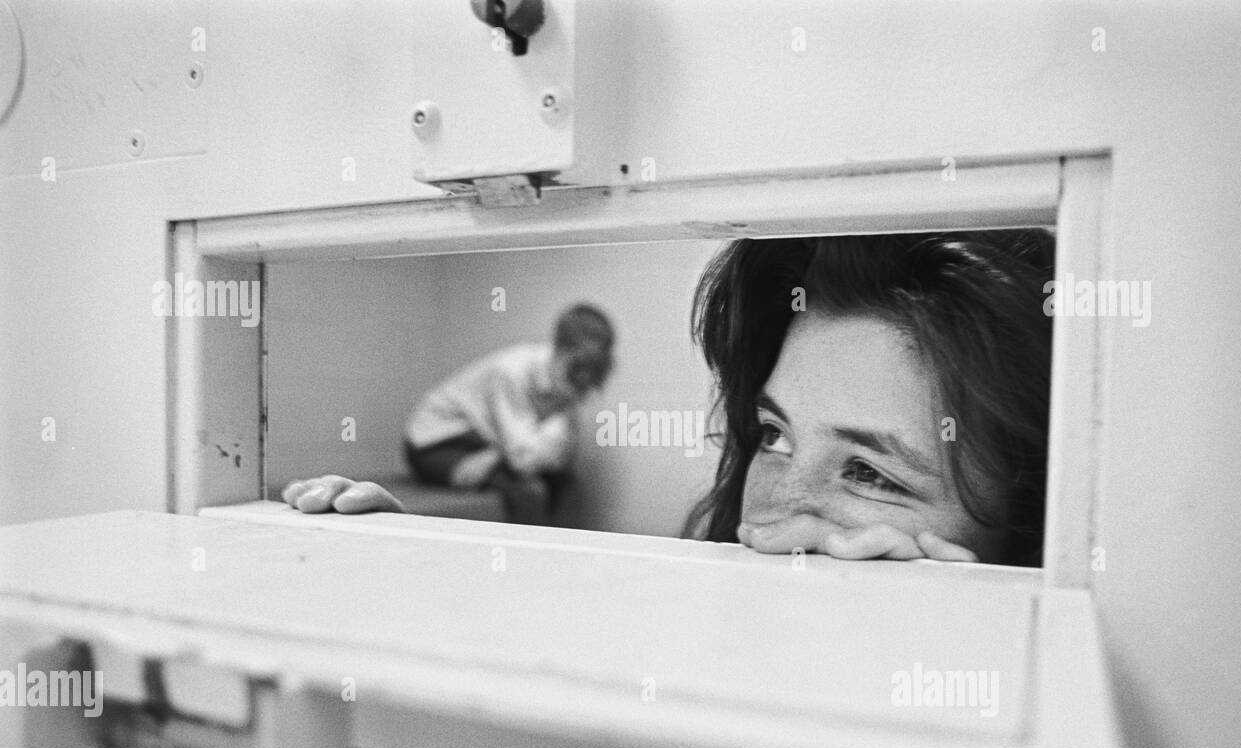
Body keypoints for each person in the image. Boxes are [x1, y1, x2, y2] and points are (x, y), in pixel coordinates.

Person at [282, 231, 1052, 566]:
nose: (774, 517)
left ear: (1023, 538)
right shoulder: (519, 371)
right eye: (772, 436)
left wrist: (960, 632)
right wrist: (408, 568)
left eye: (871, 474)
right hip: (440, 444)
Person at [400, 303, 615, 523]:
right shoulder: (510, 372)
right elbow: (524, 459)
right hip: (433, 443)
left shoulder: (565, 383)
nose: (584, 383)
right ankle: (530, 555)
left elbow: (558, 459)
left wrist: (523, 450)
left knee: (563, 482)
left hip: (490, 442)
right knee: (529, 490)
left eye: (593, 371)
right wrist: (534, 443)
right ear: (560, 349)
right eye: (579, 368)